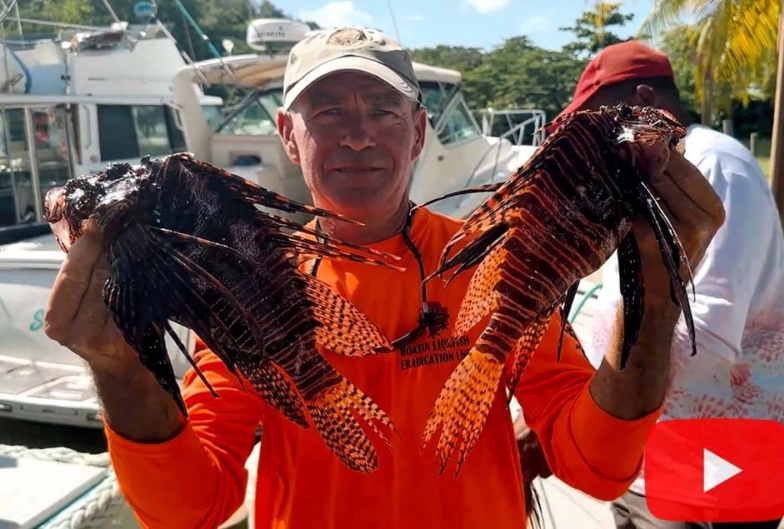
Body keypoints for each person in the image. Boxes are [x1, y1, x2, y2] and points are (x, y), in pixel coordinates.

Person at [42, 27, 724, 529]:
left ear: (420, 130)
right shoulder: (247, 286)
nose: (358, 134)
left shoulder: (496, 265)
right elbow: (189, 505)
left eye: (383, 109)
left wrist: (654, 305)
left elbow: (594, 466)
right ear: (288, 134)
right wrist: (119, 368)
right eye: (328, 110)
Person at [562, 40, 784, 529]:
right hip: (647, 450)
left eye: (596, 120)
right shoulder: (645, 176)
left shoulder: (713, 168)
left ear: (644, 103)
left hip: (715, 464)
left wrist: (583, 394)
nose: (590, 140)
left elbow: (705, 339)